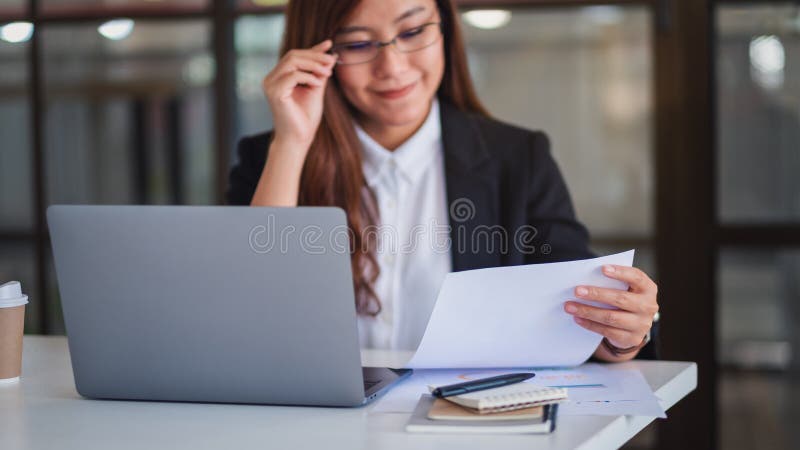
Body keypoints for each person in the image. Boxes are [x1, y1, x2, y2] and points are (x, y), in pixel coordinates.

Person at [227, 0, 659, 362]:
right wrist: (292, 142)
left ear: (447, 31)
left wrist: (622, 332)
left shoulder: (517, 159)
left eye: (413, 32)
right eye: (357, 44)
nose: (392, 67)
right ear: (319, 56)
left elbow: (581, 313)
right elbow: (245, 314)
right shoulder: (270, 159)